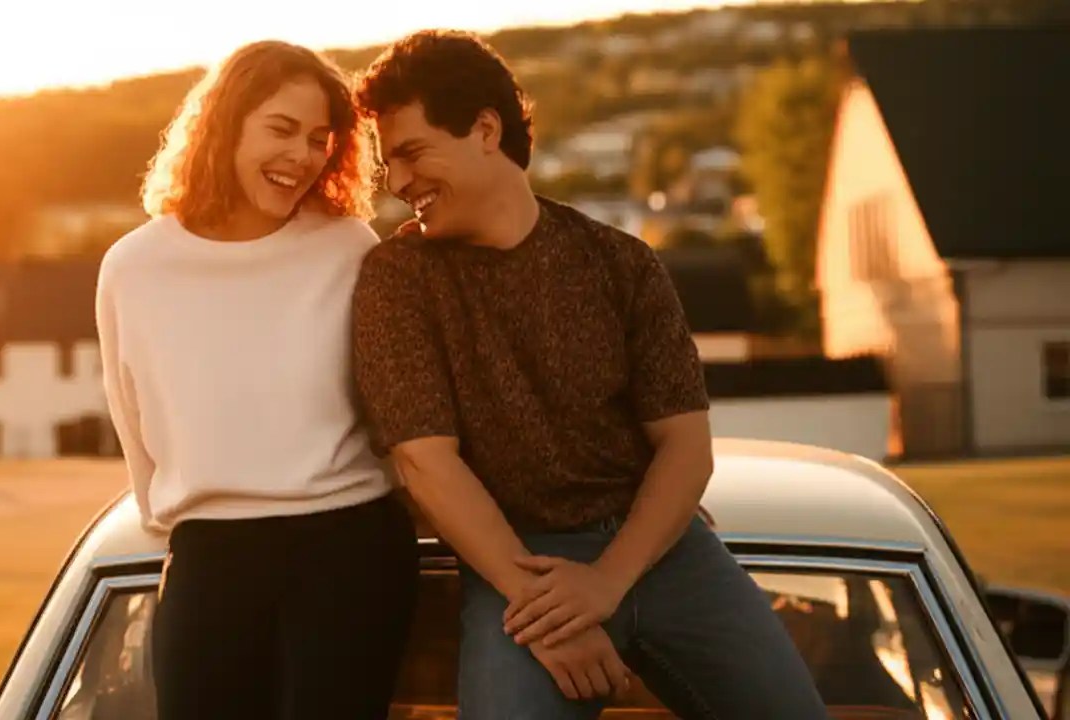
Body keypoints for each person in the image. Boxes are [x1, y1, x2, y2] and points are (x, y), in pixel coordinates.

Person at [351, 29, 829, 719]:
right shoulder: (397, 281)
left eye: (411, 153)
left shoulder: (621, 263)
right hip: (515, 561)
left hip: (663, 547)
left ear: (486, 130)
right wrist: (545, 607)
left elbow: (686, 447)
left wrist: (606, 584)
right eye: (387, 164)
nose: (397, 184)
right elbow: (426, 464)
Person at [95, 40, 418, 720]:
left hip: (348, 548)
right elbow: (133, 418)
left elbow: (393, 404)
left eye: (318, 140)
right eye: (280, 129)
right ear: (225, 124)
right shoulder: (134, 267)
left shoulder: (347, 246)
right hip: (210, 557)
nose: (302, 156)